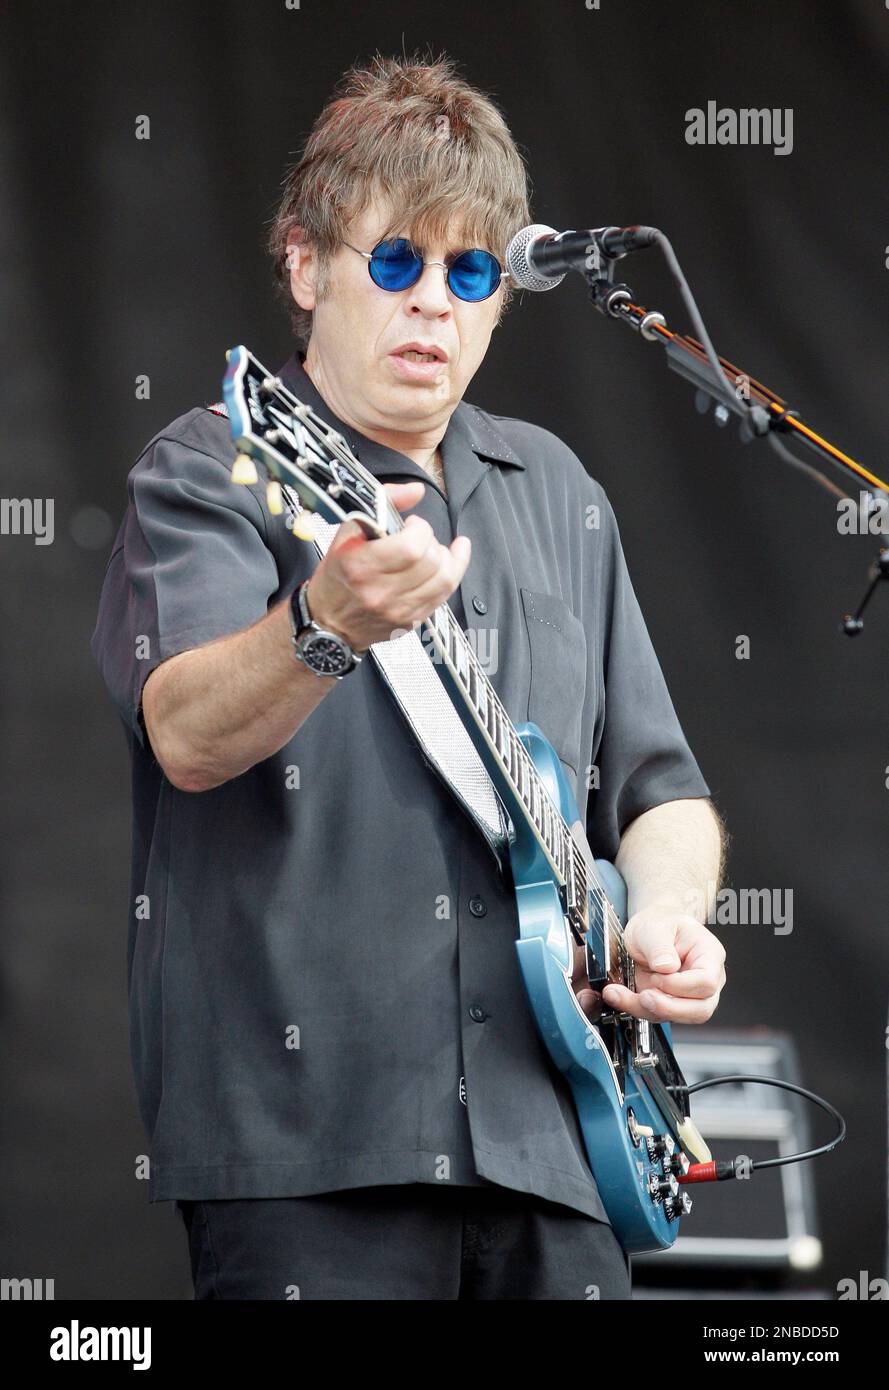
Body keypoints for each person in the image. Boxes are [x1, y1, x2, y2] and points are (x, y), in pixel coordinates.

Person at [92, 51, 725, 1301]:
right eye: (397, 262)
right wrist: (325, 619)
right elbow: (187, 733)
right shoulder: (215, 461)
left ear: (503, 298)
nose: (433, 301)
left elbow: (663, 791)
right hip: (310, 1148)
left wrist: (667, 916)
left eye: (470, 271)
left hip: (562, 1151)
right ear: (305, 264)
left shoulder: (560, 492)